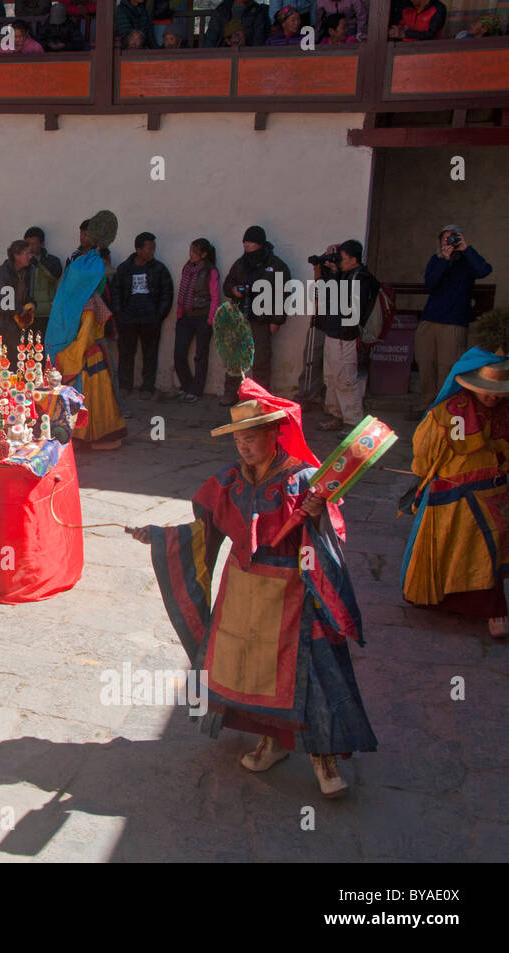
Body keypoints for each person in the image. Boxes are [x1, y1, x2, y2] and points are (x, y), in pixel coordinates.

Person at [130, 381, 376, 797]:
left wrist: (315, 516)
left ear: (274, 434)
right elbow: (202, 531)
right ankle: (271, 741)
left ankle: (323, 758)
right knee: (247, 667)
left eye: (252, 438)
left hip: (295, 591)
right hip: (243, 591)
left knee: (312, 671)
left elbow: (332, 533)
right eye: (238, 439)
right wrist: (157, 536)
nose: (244, 447)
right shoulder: (229, 480)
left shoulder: (303, 478)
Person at [401, 346, 509, 636]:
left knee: (489, 551)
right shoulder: (447, 412)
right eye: (487, 390)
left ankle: (494, 610)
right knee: (451, 550)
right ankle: (444, 600)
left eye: (498, 392)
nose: (492, 397)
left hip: (494, 494)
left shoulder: (506, 413)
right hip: (451, 496)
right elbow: (424, 451)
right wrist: (422, 473)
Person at [48, 240, 126, 449]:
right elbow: (84, 337)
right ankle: (91, 438)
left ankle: (81, 437)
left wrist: (65, 358)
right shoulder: (89, 302)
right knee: (94, 401)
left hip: (72, 354)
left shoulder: (66, 297)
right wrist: (74, 360)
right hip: (85, 357)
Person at [412, 226, 493, 417]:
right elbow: (430, 282)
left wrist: (466, 249)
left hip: (454, 321)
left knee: (447, 365)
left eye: (453, 238)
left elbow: (484, 270)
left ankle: (444, 407)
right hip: (430, 318)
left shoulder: (467, 261)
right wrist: (445, 260)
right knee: (425, 362)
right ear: (440, 243)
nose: (448, 243)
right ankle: (426, 403)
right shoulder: (437, 259)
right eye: (445, 239)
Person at [311, 239, 377, 433]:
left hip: (346, 335)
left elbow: (351, 306)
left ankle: (353, 421)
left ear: (354, 259)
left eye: (342, 258)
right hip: (332, 331)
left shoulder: (361, 278)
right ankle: (336, 415)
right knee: (331, 377)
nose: (339, 261)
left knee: (346, 378)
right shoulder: (343, 274)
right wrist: (329, 271)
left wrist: (335, 275)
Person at [221, 225, 290, 405]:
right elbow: (227, 284)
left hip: (262, 320)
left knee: (261, 360)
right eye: (244, 242)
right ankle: (231, 393)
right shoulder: (241, 263)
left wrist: (277, 320)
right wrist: (233, 290)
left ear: (259, 243)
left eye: (250, 242)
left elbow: (283, 295)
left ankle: (260, 398)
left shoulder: (276, 266)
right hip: (240, 317)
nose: (246, 245)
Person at [109, 231, 173, 396]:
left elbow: (167, 292)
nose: (152, 252)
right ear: (138, 250)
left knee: (150, 354)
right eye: (149, 248)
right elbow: (115, 292)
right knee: (126, 354)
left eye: (154, 248)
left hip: (150, 319)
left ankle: (147, 387)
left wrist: (159, 315)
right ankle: (125, 386)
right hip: (128, 319)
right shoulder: (124, 269)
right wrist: (119, 314)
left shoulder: (159, 269)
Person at [173, 238, 219, 403]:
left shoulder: (210, 271)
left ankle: (196, 390)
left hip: (202, 316)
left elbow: (215, 297)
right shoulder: (187, 268)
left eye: (195, 252)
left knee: (200, 355)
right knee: (179, 353)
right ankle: (186, 385)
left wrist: (210, 320)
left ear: (204, 254)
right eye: (191, 251)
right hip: (185, 316)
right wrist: (179, 314)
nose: (191, 255)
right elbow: (183, 293)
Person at [0, 240, 35, 358]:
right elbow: (2, 302)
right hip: (2, 322)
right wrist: (20, 310)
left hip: (14, 322)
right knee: (10, 358)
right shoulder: (1, 275)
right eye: (27, 254)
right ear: (16, 255)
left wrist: (31, 303)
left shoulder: (25, 272)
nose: (30, 257)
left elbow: (27, 294)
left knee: (18, 356)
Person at [25, 226, 63, 341]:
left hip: (45, 314)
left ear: (42, 244)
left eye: (34, 243)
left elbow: (53, 277)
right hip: (26, 313)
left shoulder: (52, 261)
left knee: (43, 349)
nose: (31, 247)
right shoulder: (22, 262)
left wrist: (37, 264)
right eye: (28, 244)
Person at [204, 0, 271, 45]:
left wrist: (245, 40)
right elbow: (211, 37)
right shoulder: (222, 9)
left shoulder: (258, 10)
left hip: (247, 54)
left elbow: (259, 39)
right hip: (222, 54)